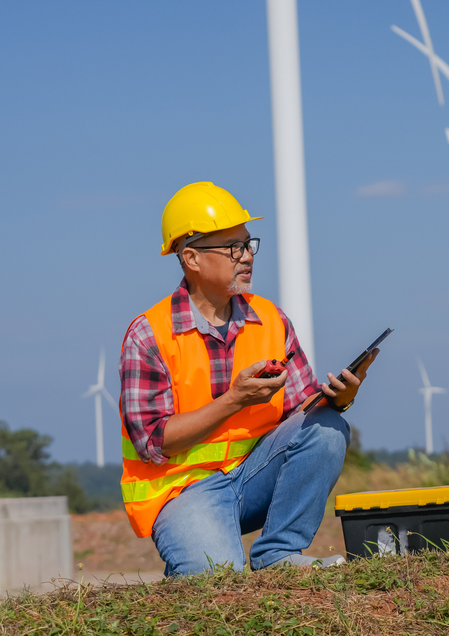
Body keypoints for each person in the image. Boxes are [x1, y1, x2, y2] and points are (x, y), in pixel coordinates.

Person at [118, 181, 376, 576]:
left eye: (249, 244)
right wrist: (234, 400)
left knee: (328, 428)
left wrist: (340, 398)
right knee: (217, 580)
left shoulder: (271, 319)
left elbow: (301, 418)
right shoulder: (150, 334)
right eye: (233, 247)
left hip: (254, 475)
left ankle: (279, 553)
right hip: (183, 492)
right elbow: (154, 443)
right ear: (191, 258)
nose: (248, 256)